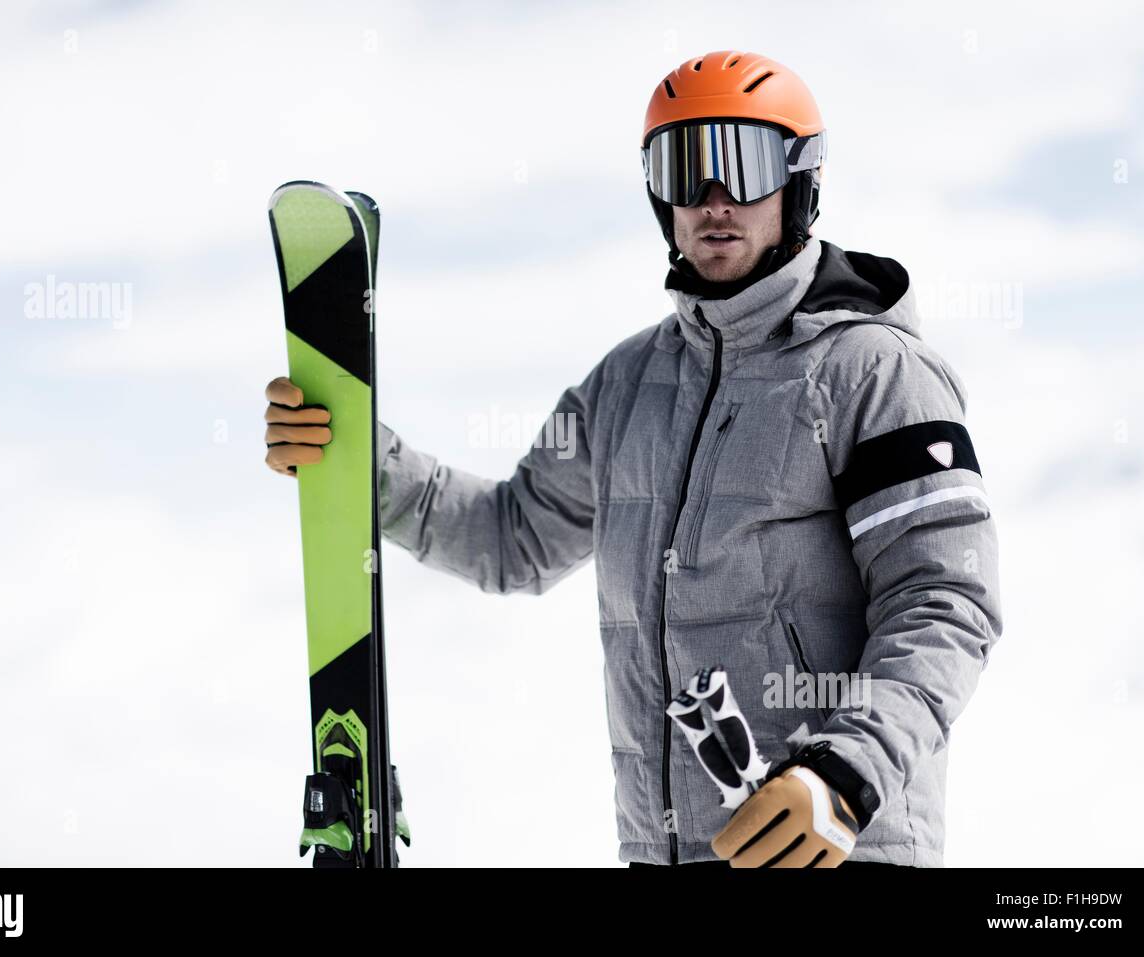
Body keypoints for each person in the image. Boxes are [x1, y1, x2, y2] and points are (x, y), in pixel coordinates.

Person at [264, 50, 1002, 868]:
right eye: (686, 168)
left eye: (745, 165)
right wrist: (359, 462)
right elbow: (511, 538)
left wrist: (844, 773)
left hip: (836, 845)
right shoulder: (626, 387)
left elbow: (944, 600)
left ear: (799, 182)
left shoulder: (874, 371)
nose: (714, 201)